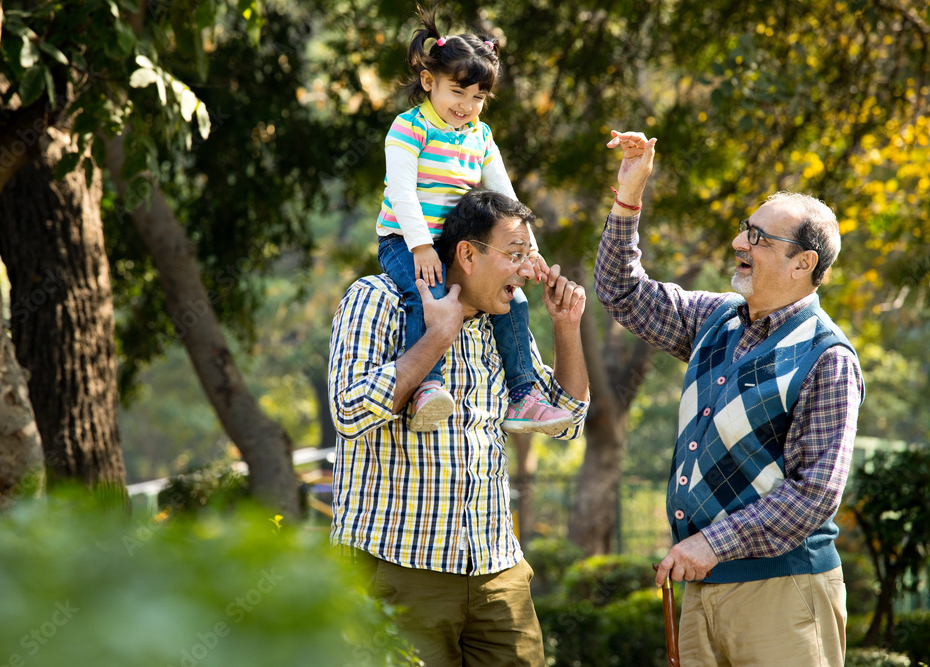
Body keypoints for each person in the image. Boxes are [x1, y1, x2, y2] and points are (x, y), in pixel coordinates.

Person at [594, 131, 864, 666]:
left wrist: (712, 544)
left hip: (785, 595)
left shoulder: (827, 357)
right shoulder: (715, 318)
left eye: (759, 238)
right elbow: (620, 290)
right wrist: (629, 196)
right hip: (703, 590)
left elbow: (813, 495)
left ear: (802, 264)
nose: (740, 244)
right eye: (746, 230)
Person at [329, 189, 590, 666]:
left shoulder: (505, 323)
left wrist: (566, 328)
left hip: (497, 573)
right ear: (467, 254)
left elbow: (567, 422)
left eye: (528, 256)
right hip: (399, 571)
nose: (526, 270)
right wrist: (437, 337)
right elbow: (349, 412)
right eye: (515, 255)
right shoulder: (377, 299)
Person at [376, 5, 572, 434]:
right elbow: (403, 192)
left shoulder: (480, 135)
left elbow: (505, 195)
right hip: (405, 240)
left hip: (456, 243)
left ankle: (523, 395)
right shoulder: (408, 129)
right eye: (457, 93)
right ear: (429, 82)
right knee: (423, 294)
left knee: (514, 301)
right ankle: (427, 388)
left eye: (478, 97)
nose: (467, 106)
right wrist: (421, 246)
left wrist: (529, 249)